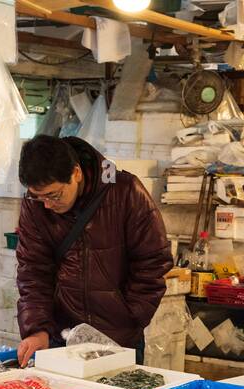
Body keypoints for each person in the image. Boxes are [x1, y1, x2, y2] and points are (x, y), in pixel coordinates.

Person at [14, 134, 172, 366]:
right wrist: (37, 329)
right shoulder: (35, 205)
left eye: (53, 195)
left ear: (76, 173)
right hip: (62, 337)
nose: (47, 205)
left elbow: (153, 261)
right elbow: (33, 271)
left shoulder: (126, 191)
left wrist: (130, 317)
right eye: (38, 197)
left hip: (119, 340)